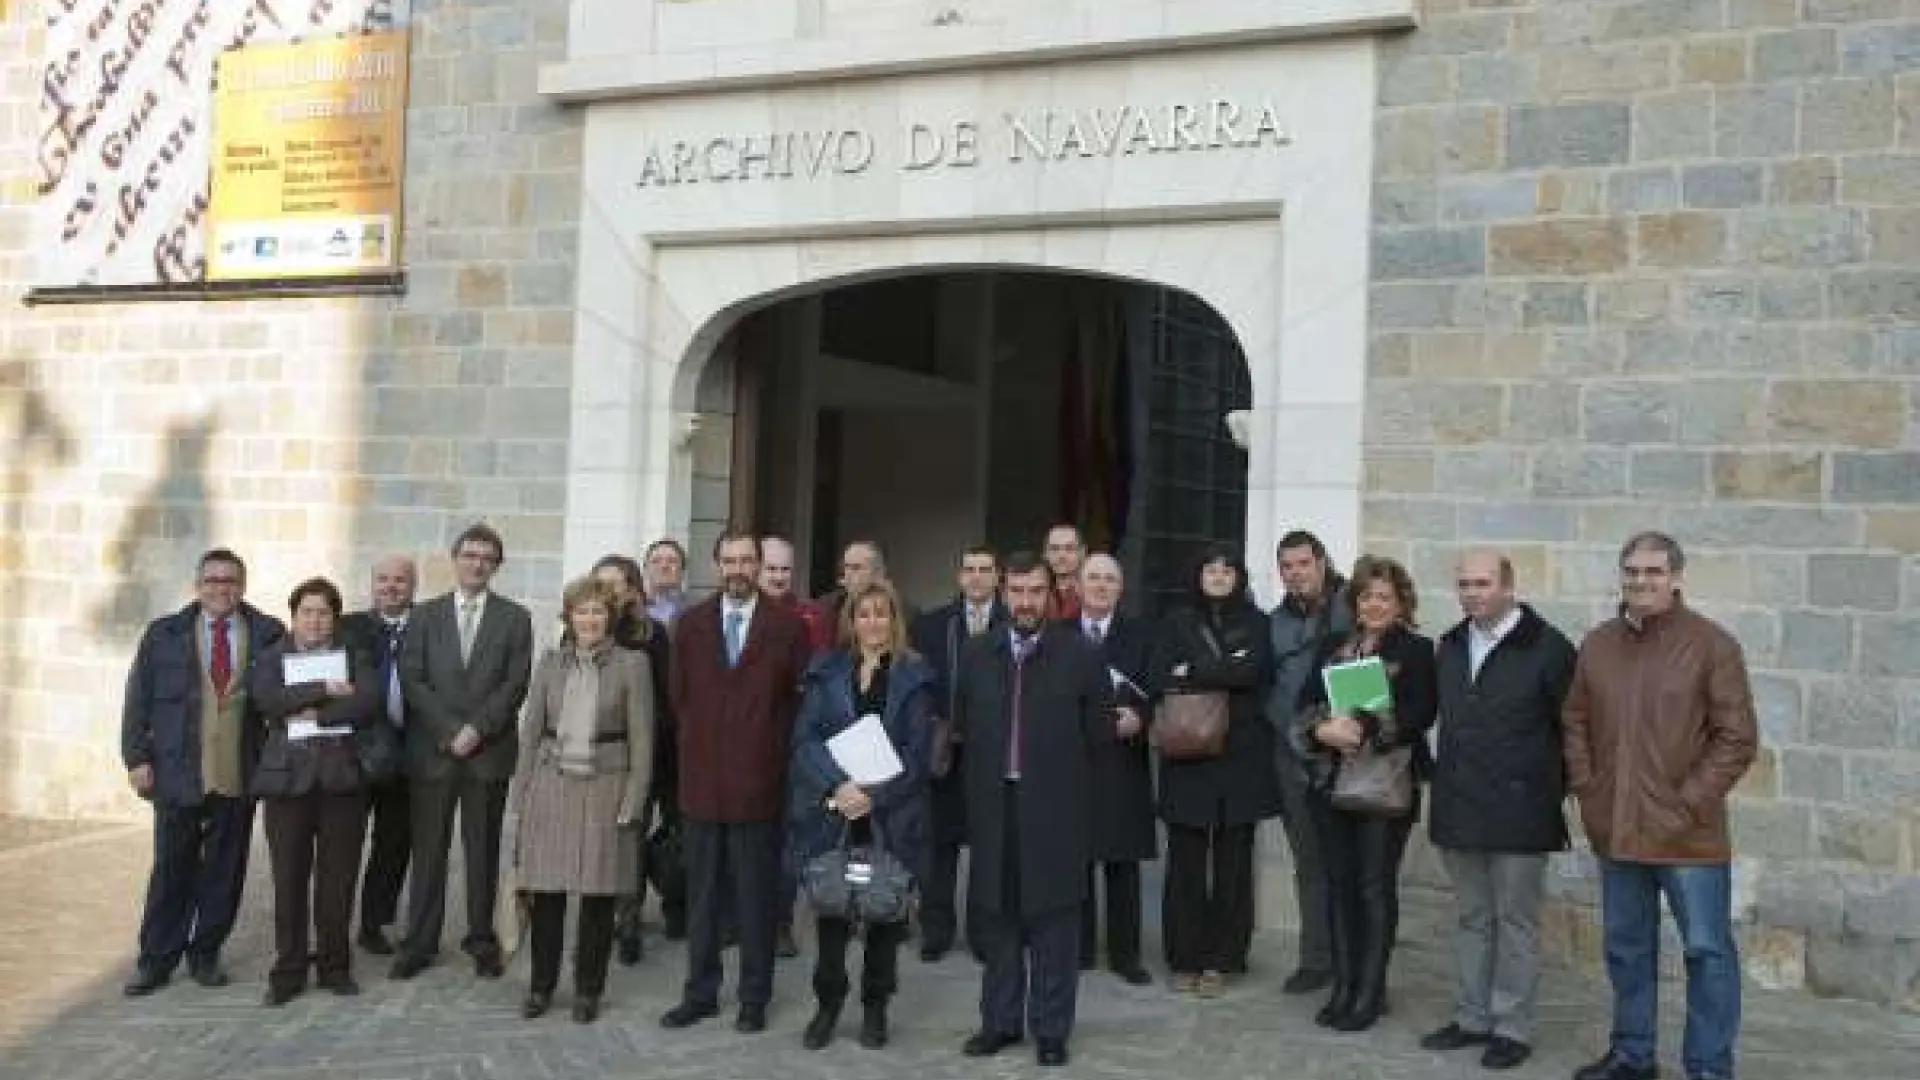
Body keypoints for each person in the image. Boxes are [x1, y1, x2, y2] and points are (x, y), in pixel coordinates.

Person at [1564, 532, 1756, 1080]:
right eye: (1631, 571)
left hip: (1687, 835)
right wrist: (1589, 789)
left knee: (1707, 952)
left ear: (1675, 577)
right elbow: (1575, 722)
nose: (1640, 581)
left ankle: (1709, 1067)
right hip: (1617, 828)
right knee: (1627, 950)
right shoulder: (1598, 644)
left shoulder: (1712, 646)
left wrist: (1685, 802)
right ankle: (1632, 1054)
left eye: (1652, 571)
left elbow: (1736, 739)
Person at [954, 551, 1112, 1068]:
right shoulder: (977, 655)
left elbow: (1100, 739)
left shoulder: (1082, 656)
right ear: (1003, 593)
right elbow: (963, 732)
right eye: (1016, 591)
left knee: (1055, 925)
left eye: (1035, 592)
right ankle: (998, 1022)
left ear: (1052, 595)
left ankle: (1051, 1030)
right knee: (997, 920)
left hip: (1057, 811)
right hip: (995, 807)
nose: (1025, 602)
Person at [1421, 550, 1577, 1070]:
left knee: (1514, 921)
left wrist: (1551, 789)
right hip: (1460, 803)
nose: (1472, 593)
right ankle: (1471, 1017)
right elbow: (1425, 712)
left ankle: (1512, 1026)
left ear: (1509, 586)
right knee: (1471, 917)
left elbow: (1574, 730)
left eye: (1483, 583)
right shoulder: (1449, 645)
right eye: (1464, 584)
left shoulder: (1550, 648)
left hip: (1521, 808)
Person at [661, 532, 811, 1034]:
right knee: (702, 899)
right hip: (702, 784)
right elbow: (679, 699)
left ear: (760, 565)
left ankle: (754, 997)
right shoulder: (692, 625)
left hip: (760, 784)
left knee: (755, 900)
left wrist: (768, 750)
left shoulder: (787, 627)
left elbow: (795, 703)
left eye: (748, 560)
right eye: (730, 560)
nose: (739, 569)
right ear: (716, 564)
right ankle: (699, 992)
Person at [121, 549, 287, 996]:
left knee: (225, 871)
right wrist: (137, 758)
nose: (221, 588)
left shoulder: (269, 634)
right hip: (177, 770)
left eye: (230, 580)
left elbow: (284, 699)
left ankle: (205, 952)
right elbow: (137, 698)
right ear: (198, 586)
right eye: (212, 580)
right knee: (171, 868)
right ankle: (156, 960)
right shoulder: (164, 634)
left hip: (238, 771)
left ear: (243, 586)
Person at [1291, 555, 1438, 1034]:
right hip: (1331, 785)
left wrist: (1367, 725)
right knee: (1339, 886)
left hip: (1386, 786)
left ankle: (1370, 992)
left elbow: (1421, 714)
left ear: (1400, 604)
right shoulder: (1333, 646)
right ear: (1355, 603)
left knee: (1374, 888)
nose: (1374, 605)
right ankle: (1344, 985)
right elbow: (1302, 707)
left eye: (1384, 597)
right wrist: (1322, 730)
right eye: (1367, 596)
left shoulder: (1416, 650)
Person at [788, 582, 936, 1050]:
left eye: (881, 614)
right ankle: (827, 1007)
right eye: (864, 614)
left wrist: (873, 794)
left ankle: (876, 1008)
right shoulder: (826, 671)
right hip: (835, 813)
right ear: (851, 621)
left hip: (889, 816)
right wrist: (839, 785)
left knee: (884, 918)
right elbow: (805, 740)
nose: (873, 623)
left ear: (894, 620)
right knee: (831, 916)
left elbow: (918, 754)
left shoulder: (915, 677)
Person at [392, 523, 536, 981]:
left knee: (483, 851)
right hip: (433, 752)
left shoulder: (515, 618)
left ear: (496, 566)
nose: (477, 563)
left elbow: (515, 684)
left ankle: (480, 938)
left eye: (487, 557)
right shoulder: (424, 616)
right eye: (470, 555)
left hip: (487, 752)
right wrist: (450, 729)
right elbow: (413, 679)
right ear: (454, 560)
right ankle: (419, 942)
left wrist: (477, 729)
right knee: (429, 851)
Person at [510, 576, 655, 1024]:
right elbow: (530, 731)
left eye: (597, 611)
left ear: (609, 616)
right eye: (581, 611)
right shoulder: (550, 664)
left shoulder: (632, 665)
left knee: (597, 898)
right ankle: (541, 986)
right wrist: (521, 792)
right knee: (547, 895)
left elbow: (644, 740)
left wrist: (634, 799)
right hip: (552, 785)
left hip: (606, 787)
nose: (589, 619)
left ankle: (588, 990)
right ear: (568, 617)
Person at [1154, 543, 1282, 997]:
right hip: (1188, 755)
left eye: (1228, 568)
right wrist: (1228, 667)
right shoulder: (1174, 621)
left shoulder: (1258, 622)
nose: (1220, 575)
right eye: (1211, 567)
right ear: (1197, 573)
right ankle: (1184, 957)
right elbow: (1160, 676)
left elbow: (1255, 674)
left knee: (1234, 863)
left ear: (1239, 577)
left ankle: (1224, 958)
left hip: (1241, 758)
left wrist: (1198, 669)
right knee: (1186, 863)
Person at [251, 577, 381, 1004]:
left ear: (335, 617)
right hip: (286, 784)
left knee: (338, 881)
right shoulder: (272, 656)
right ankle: (287, 971)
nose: (315, 620)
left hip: (342, 782)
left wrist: (312, 715)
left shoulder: (354, 656)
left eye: (323, 612)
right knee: (288, 880)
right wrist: (324, 690)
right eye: (307, 611)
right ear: (294, 616)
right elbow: (268, 700)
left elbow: (368, 702)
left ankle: (334, 967)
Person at [908, 544, 1006, 963]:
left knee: (989, 847)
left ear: (998, 577)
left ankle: (985, 934)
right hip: (943, 749)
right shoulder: (932, 625)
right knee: (939, 847)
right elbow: (918, 684)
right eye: (970, 569)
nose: (978, 577)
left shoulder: (1013, 624)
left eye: (986, 569)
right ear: (959, 577)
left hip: (995, 752)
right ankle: (936, 930)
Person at [1265, 529, 1349, 993]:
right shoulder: (1274, 622)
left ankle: (1353, 961)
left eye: (1303, 563)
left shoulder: (1353, 607)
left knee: (1354, 865)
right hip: (1290, 758)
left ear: (1322, 562)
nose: (1296, 573)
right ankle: (1315, 959)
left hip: (1345, 756)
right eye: (1287, 567)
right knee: (1309, 861)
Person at [1069, 554, 1156, 986]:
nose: (1101, 586)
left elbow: (1157, 691)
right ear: (1078, 587)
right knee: (1076, 858)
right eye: (1093, 579)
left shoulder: (1141, 635)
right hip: (1076, 762)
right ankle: (1079, 949)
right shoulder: (1059, 635)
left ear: (1120, 589)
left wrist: (1141, 719)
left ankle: (1126, 955)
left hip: (1124, 759)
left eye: (1109, 579)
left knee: (1122, 863)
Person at [585, 554, 675, 966]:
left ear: (632, 587)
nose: (609, 592)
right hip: (595, 753)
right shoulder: (583, 629)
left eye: (616, 584)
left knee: (631, 838)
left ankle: (628, 919)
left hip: (644, 750)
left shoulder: (651, 634)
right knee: (600, 838)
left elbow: (666, 697)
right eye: (601, 584)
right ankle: (599, 913)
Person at [339, 555, 418, 957]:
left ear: (412, 587)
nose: (391, 587)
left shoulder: (428, 625)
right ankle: (333, 924)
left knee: (393, 845)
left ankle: (374, 923)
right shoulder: (349, 627)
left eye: (400, 581)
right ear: (372, 584)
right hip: (358, 752)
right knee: (345, 843)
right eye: (383, 579)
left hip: (410, 755)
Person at [644, 539, 691, 628]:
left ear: (683, 571)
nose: (664, 566)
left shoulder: (698, 609)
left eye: (672, 561)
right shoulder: (634, 608)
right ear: (646, 570)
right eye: (656, 561)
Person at [1042, 524, 1085, 620]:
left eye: (1069, 548)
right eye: (1055, 549)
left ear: (1082, 552)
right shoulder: (1037, 592)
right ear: (1045, 554)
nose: (1062, 555)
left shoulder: (1091, 592)